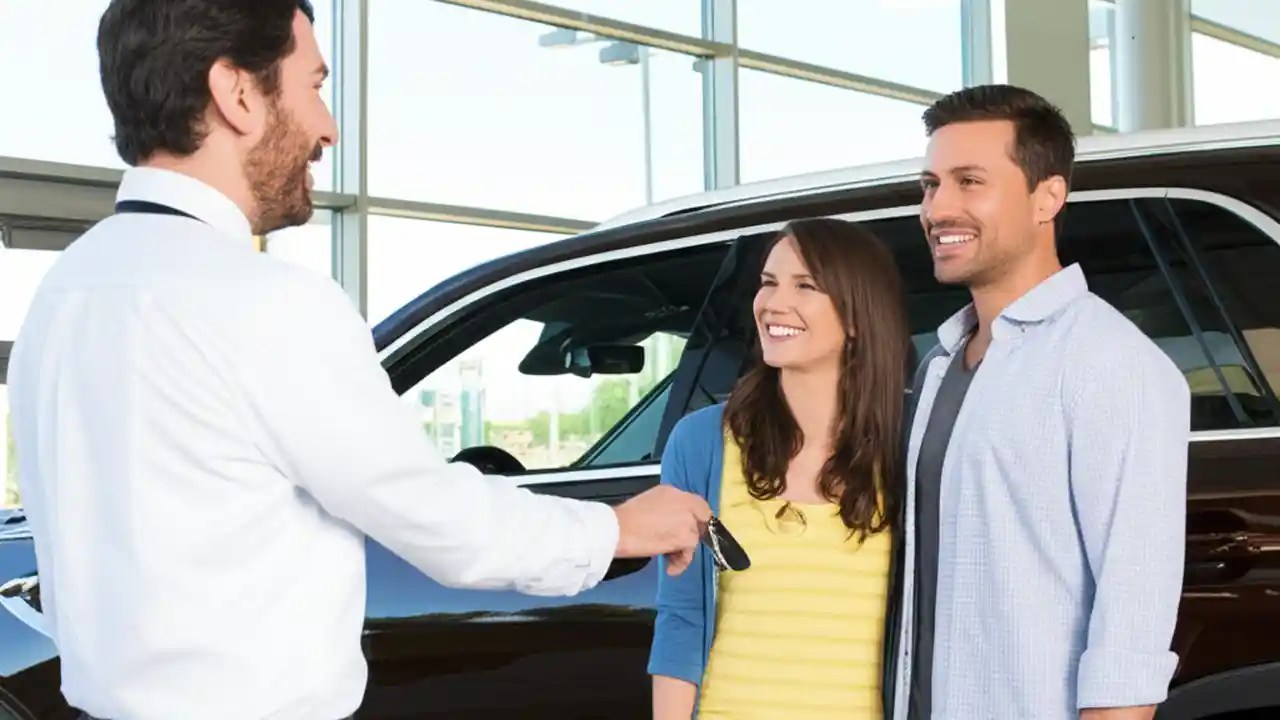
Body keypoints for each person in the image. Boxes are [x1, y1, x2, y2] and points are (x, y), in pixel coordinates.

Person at [6, 2, 710, 719]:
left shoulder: (64, 295)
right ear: (237, 93)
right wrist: (618, 530)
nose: (327, 127)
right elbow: (438, 521)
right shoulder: (262, 302)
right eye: (312, 85)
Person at [895, 84, 1190, 720]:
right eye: (930, 184)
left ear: (1047, 197)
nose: (937, 207)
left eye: (969, 181)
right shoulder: (941, 362)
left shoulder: (1111, 363)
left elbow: (1133, 620)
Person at [648, 218, 913, 720]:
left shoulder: (912, 448)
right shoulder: (702, 444)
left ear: (857, 317)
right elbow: (681, 618)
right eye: (768, 283)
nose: (773, 303)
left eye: (805, 285)